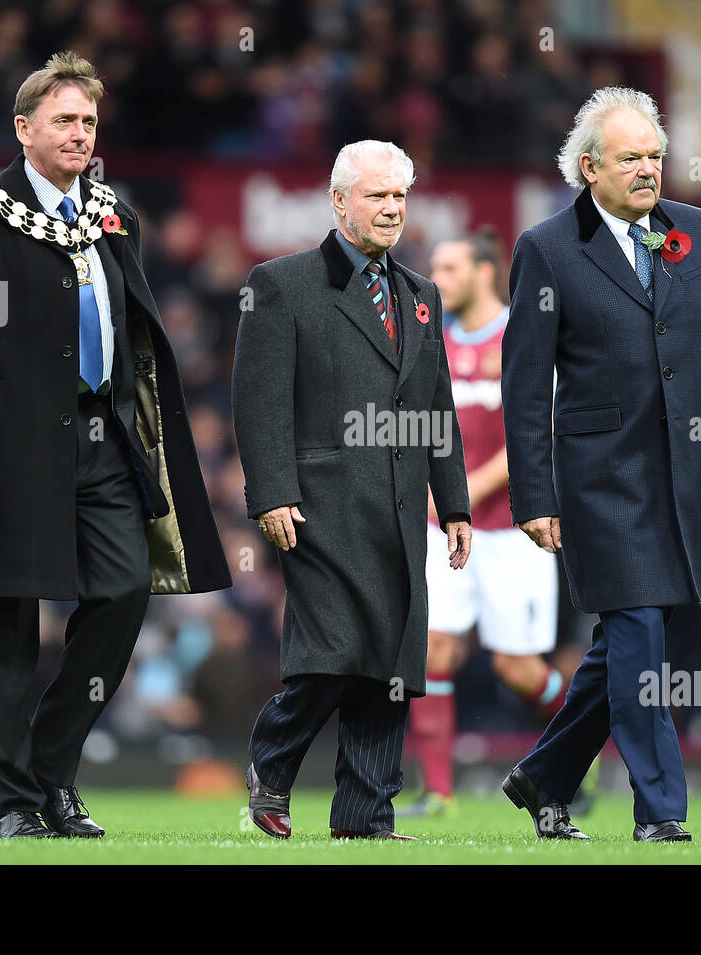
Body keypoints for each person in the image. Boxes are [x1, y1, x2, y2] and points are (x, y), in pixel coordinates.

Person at [0, 52, 231, 838]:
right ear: (24, 130)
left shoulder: (108, 214)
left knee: (124, 591)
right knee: (9, 623)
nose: (80, 133)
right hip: (11, 449)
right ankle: (14, 803)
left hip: (102, 441)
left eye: (89, 120)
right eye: (63, 119)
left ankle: (50, 771)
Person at [500, 87, 701, 841]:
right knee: (642, 631)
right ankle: (661, 809)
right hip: (598, 483)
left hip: (683, 479)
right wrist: (534, 493)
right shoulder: (547, 249)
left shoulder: (695, 231)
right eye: (632, 159)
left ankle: (545, 774)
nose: (650, 169)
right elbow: (524, 389)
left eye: (656, 155)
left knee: (626, 641)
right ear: (589, 167)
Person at [232, 140, 471, 841]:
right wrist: (271, 492)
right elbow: (260, 401)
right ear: (340, 202)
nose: (393, 209)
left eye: (400, 196)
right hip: (317, 505)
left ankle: (365, 817)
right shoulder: (282, 283)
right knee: (333, 652)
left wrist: (452, 502)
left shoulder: (422, 297)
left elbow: (438, 408)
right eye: (378, 196)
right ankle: (270, 765)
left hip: (399, 508)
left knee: (388, 663)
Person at [399, 229, 563, 818]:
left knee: (516, 669)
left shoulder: (522, 337)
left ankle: (583, 752)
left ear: (484, 273)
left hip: (515, 530)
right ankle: (438, 793)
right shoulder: (433, 340)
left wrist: (456, 495)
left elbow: (533, 439)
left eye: (449, 266)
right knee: (432, 652)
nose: (436, 277)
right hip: (445, 528)